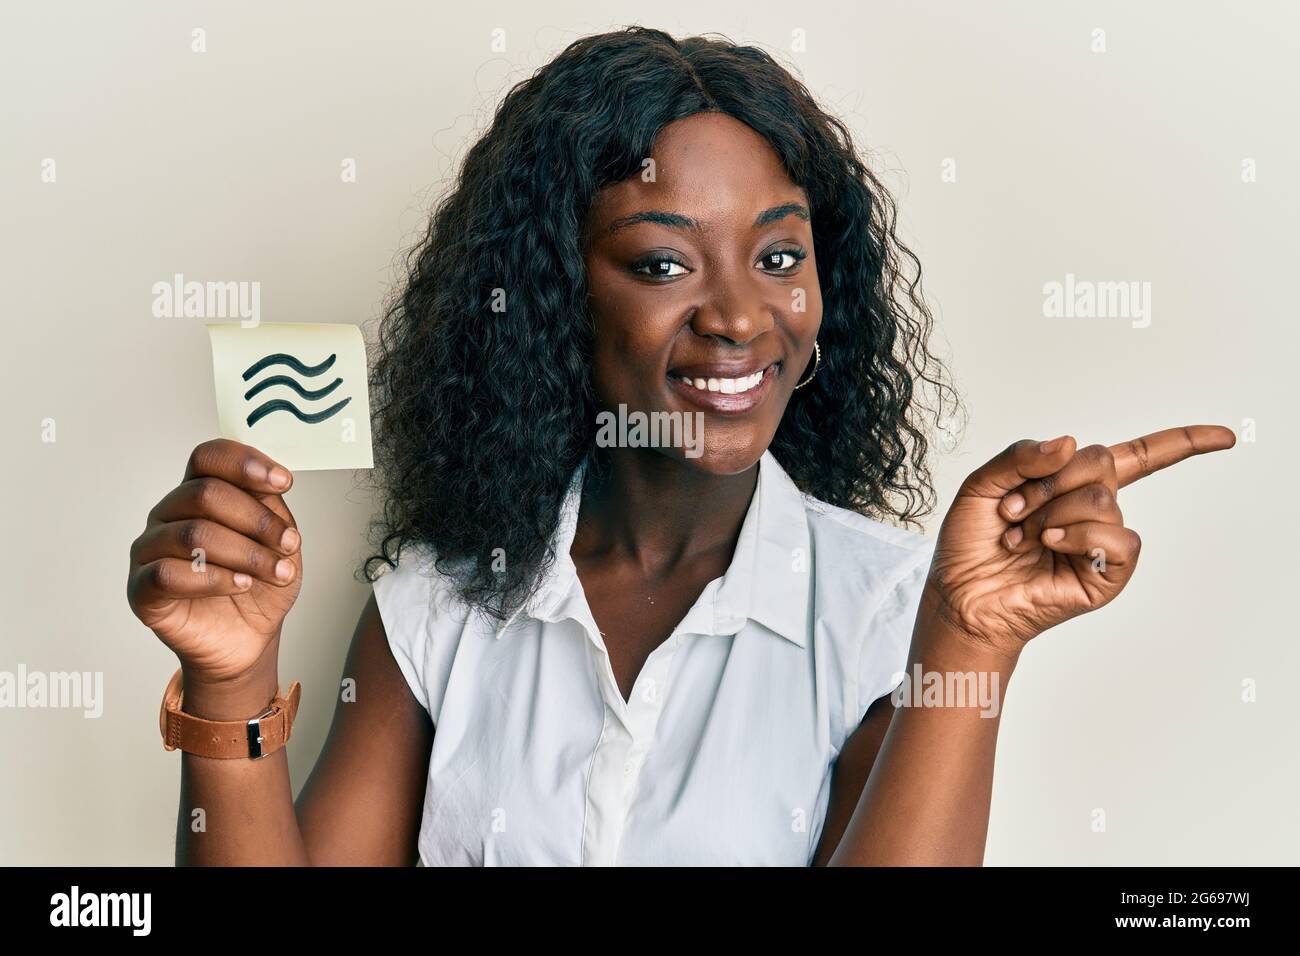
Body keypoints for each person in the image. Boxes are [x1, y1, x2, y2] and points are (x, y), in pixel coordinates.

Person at [126, 26, 1235, 866]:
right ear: (560, 296)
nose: (740, 316)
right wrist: (229, 681)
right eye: (662, 264)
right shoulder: (440, 602)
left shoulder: (892, 610)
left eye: (778, 256)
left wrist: (968, 647)